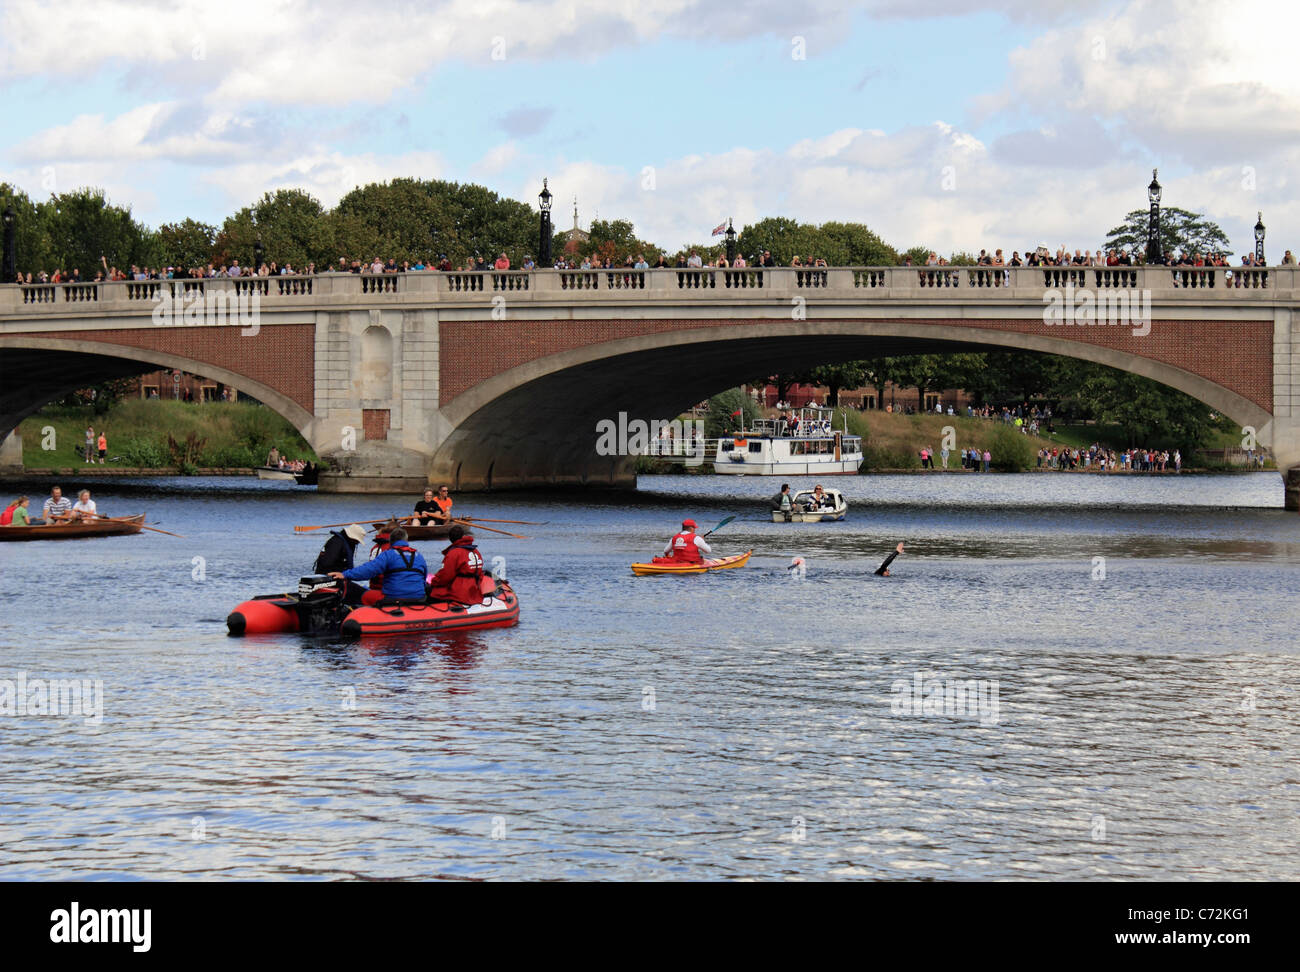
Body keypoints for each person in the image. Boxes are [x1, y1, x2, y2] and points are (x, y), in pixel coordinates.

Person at [329, 527, 428, 603]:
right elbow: (424, 578)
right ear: (406, 541)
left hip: (393, 597)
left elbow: (368, 570)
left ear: (391, 541)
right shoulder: (419, 556)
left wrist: (345, 574)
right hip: (418, 597)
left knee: (364, 595)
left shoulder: (388, 554)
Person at [427, 525, 486, 605]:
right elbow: (480, 574)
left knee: (430, 592)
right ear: (462, 536)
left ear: (450, 538)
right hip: (474, 590)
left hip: (459, 592)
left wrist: (433, 582)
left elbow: (445, 576)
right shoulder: (475, 551)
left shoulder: (454, 553)